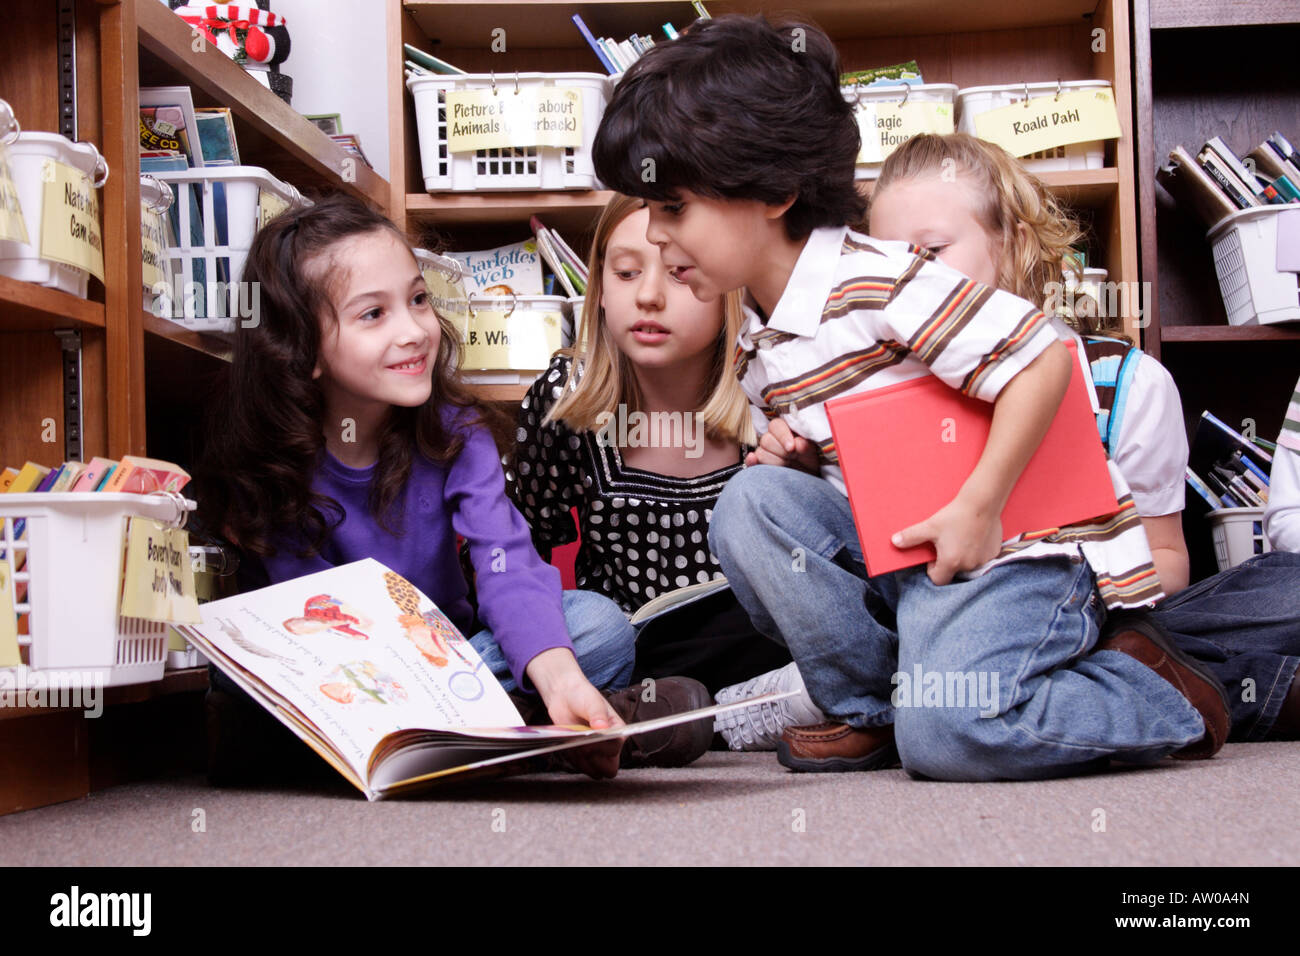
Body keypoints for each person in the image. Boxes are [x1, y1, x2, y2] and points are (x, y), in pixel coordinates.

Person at [592, 13, 1230, 780]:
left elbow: (1041, 359)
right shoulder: (762, 338)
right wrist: (801, 465)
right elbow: (860, 462)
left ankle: (1155, 694)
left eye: (672, 208)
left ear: (773, 193)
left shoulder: (879, 281)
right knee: (751, 503)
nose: (657, 238)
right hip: (912, 561)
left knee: (953, 736)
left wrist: (982, 502)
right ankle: (873, 708)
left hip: (1012, 554)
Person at [729, 131, 1300, 746]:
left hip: (1083, 602)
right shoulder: (855, 370)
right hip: (923, 605)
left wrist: (1035, 627)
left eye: (930, 252)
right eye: (890, 257)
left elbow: (1167, 564)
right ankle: (927, 700)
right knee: (762, 512)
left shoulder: (1124, 380)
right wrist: (810, 468)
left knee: (1275, 590)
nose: (907, 274)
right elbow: (865, 562)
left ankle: (1108, 681)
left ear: (1014, 244)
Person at [196, 194, 713, 783]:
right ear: (302, 348)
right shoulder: (269, 462)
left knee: (599, 626)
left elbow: (508, 564)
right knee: (242, 692)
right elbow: (310, 637)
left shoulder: (456, 435)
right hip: (337, 673)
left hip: (454, 656)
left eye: (418, 300)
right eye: (374, 314)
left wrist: (560, 676)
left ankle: (470, 735)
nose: (415, 330)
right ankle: (518, 735)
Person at [505, 193, 799, 701]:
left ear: (725, 284)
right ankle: (675, 708)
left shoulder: (779, 389)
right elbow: (514, 550)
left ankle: (673, 709)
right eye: (624, 273)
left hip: (747, 645)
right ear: (597, 289)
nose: (648, 296)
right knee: (592, 631)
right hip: (619, 649)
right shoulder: (564, 396)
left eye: (678, 272)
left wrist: (803, 472)